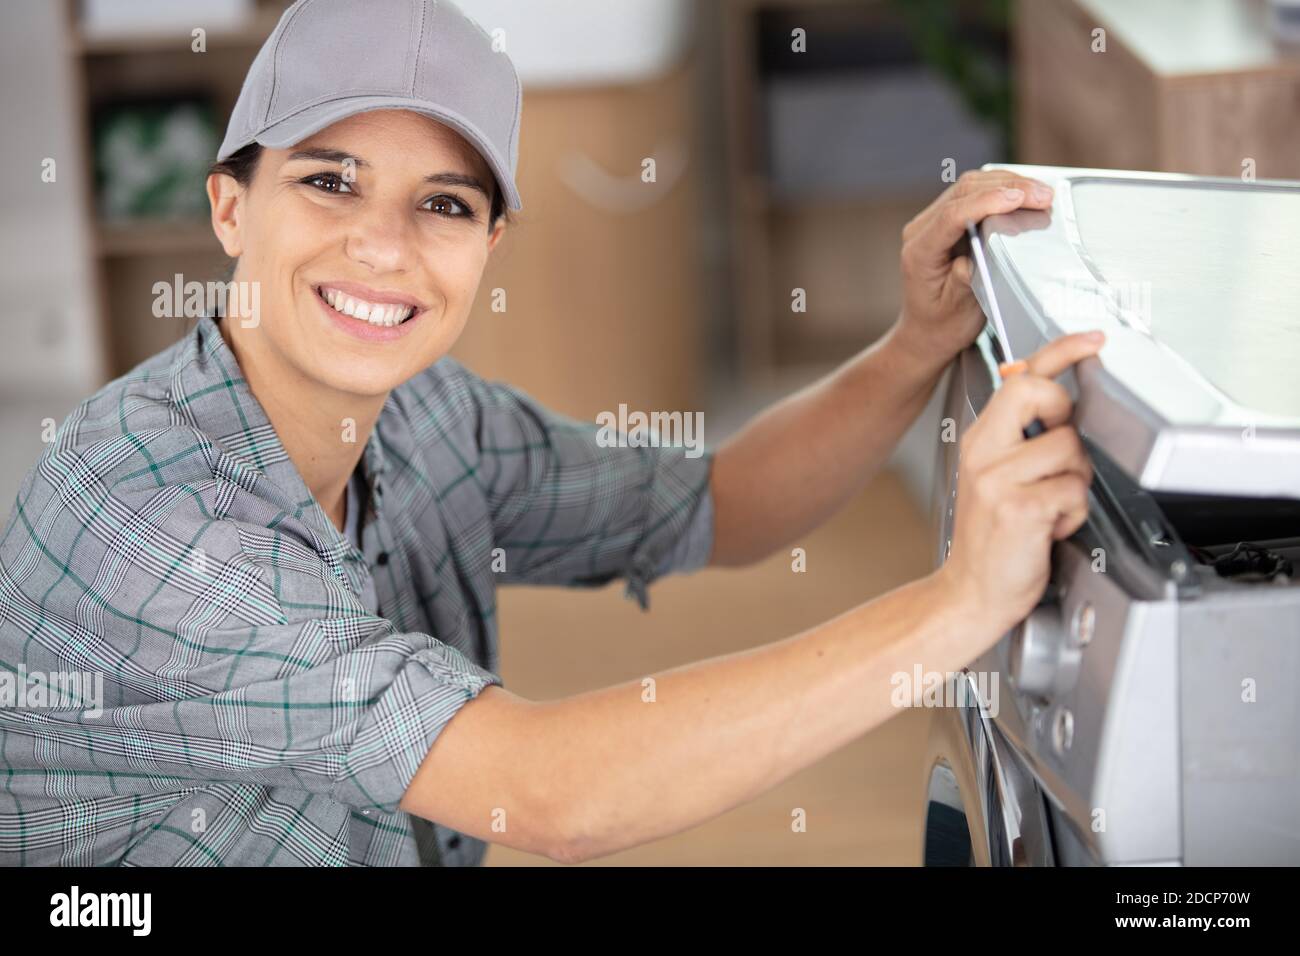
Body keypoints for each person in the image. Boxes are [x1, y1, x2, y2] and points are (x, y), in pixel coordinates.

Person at [0, 0, 1101, 866]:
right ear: (230, 209)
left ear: (488, 244)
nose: (385, 246)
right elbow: (548, 794)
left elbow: (722, 501)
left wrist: (917, 339)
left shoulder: (435, 422)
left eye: (442, 203)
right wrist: (958, 604)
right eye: (330, 182)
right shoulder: (143, 517)